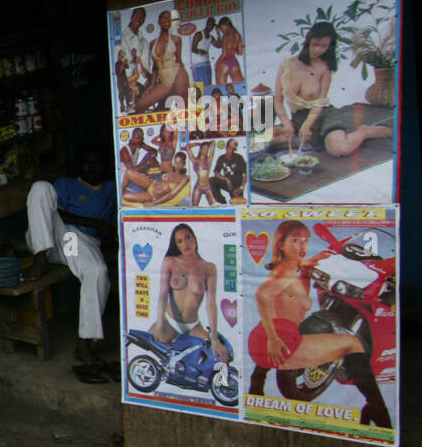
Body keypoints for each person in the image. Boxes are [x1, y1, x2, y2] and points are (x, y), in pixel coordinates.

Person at [247, 221, 389, 427]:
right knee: (353, 343)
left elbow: (290, 296)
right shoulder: (285, 273)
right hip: (278, 343)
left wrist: (306, 267)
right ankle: (379, 412)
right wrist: (273, 339)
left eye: (305, 241)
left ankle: (257, 385)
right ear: (281, 244)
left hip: (266, 340)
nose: (302, 246)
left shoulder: (290, 268)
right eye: (295, 241)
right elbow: (262, 294)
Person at [25, 150, 115, 378]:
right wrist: (95, 222)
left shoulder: (112, 188)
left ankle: (84, 344)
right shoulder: (66, 184)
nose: (92, 169)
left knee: (98, 271)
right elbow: (57, 215)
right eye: (87, 164)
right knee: (40, 188)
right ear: (79, 166)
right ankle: (40, 258)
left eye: (97, 164)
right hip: (52, 236)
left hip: (81, 243)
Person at [272, 22, 395, 158]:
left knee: (340, 149)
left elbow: (320, 102)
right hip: (297, 119)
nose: (318, 50)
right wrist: (287, 124)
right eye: (315, 44)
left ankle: (363, 132)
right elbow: (278, 99)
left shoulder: (325, 68)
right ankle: (307, 140)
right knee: (261, 139)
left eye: (324, 46)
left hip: (325, 116)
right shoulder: (287, 64)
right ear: (308, 41)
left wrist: (307, 125)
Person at [149, 224, 226, 361]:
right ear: (176, 245)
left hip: (193, 325)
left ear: (195, 239)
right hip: (169, 321)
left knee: (217, 356)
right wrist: (160, 323)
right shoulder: (170, 262)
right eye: (180, 241)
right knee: (152, 351)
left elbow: (211, 304)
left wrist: (214, 338)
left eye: (187, 237)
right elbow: (162, 295)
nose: (185, 243)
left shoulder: (209, 267)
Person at [134, 9, 189, 113]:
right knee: (140, 106)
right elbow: (155, 67)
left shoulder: (176, 39)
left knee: (184, 108)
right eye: (164, 17)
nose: (167, 20)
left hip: (177, 73)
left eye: (169, 18)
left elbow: (179, 61)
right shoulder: (152, 43)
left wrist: (185, 82)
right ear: (159, 21)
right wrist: (152, 85)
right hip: (164, 81)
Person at [121, 7, 151, 111]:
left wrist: (146, 76)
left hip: (142, 81)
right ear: (131, 16)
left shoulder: (144, 41)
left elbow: (146, 65)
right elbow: (125, 65)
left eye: (142, 17)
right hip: (128, 81)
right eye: (137, 15)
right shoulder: (121, 38)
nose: (139, 18)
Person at [118, 127, 159, 201]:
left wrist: (152, 157)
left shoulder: (139, 144)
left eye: (141, 138)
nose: (140, 140)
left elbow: (154, 151)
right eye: (137, 137)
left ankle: (156, 178)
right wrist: (147, 164)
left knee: (150, 156)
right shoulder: (125, 151)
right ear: (132, 137)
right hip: (126, 178)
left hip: (134, 172)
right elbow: (131, 170)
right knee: (149, 196)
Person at [210, 137, 246, 204]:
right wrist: (226, 179)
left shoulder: (239, 157)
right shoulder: (221, 158)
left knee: (237, 203)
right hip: (227, 183)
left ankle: (236, 196)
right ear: (226, 147)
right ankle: (221, 201)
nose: (231, 151)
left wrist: (241, 187)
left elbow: (246, 174)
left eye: (233, 149)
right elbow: (216, 172)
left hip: (237, 185)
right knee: (211, 180)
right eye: (230, 148)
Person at [214, 16, 245, 86]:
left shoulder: (225, 36)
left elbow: (224, 53)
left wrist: (216, 64)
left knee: (221, 88)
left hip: (224, 61)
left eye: (221, 28)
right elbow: (240, 52)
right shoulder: (238, 35)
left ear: (225, 25)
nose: (222, 30)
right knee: (240, 86)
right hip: (234, 62)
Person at [188, 140, 216, 206]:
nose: (206, 150)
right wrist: (197, 143)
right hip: (198, 187)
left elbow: (214, 142)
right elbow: (187, 147)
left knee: (215, 208)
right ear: (200, 149)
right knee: (194, 209)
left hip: (208, 187)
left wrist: (208, 143)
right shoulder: (195, 161)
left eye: (207, 149)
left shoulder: (209, 160)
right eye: (204, 148)